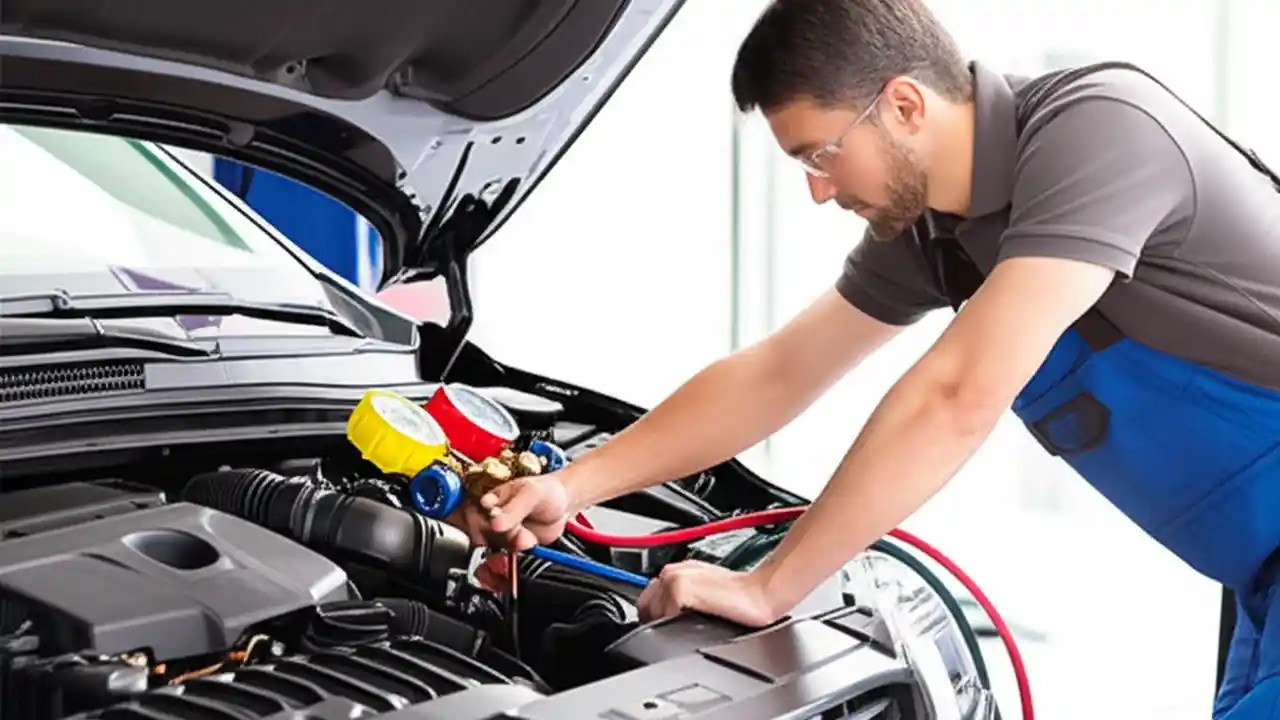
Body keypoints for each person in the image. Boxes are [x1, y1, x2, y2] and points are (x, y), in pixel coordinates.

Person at [455, 1, 1280, 716]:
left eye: (819, 154)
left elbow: (959, 392)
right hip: (1258, 573)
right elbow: (778, 372)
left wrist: (770, 586)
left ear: (905, 105)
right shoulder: (934, 234)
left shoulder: (1100, 130)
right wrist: (574, 484)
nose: (818, 189)